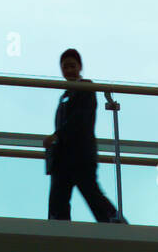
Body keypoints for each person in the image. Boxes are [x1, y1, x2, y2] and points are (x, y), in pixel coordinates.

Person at [43, 48, 127, 224]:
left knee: (91, 194)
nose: (69, 71)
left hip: (80, 157)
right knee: (61, 200)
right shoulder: (65, 97)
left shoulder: (86, 88)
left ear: (80, 67)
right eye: (65, 67)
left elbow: (79, 120)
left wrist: (56, 136)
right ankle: (61, 230)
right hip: (64, 159)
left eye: (72, 66)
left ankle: (114, 222)